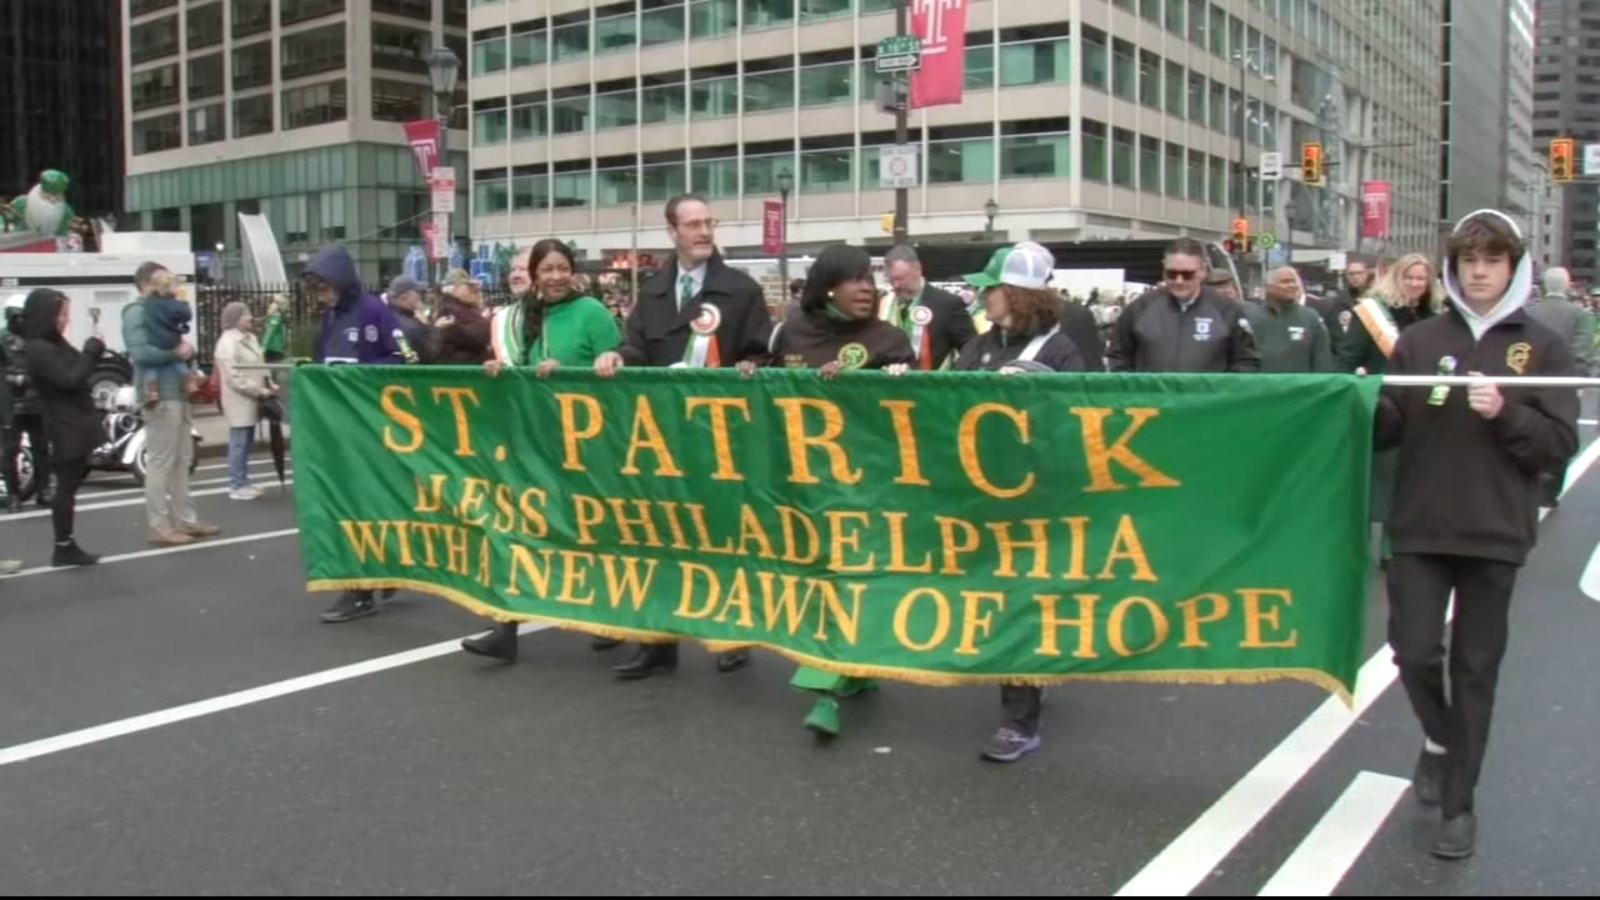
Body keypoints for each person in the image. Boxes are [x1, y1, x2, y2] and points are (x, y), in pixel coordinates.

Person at [1375, 209, 1577, 861]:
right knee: (1412, 649)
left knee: (1477, 669)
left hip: (1494, 529)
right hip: (1422, 524)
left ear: (1513, 268)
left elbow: (1557, 446)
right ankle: (1441, 739)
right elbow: (1388, 425)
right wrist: (1355, 399)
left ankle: (1460, 805)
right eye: (1469, 261)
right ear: (1452, 268)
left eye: (1492, 261)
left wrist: (1506, 412)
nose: (1480, 272)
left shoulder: (1543, 345)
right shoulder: (1421, 340)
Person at [593, 193, 775, 679]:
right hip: (662, 438)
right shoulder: (653, 291)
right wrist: (617, 356)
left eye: (708, 223)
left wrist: (751, 365)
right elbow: (636, 345)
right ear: (671, 232)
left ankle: (733, 635)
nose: (703, 232)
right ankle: (658, 642)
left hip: (722, 437)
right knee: (659, 539)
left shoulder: (740, 290)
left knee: (726, 540)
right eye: (692, 224)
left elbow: (763, 354)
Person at [769, 244, 914, 738]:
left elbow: (914, 411)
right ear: (827, 286)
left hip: (867, 486)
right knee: (821, 580)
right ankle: (856, 665)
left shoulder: (890, 339)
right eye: (855, 279)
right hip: (804, 484)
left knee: (849, 578)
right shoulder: (791, 332)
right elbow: (768, 393)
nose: (867, 288)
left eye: (870, 279)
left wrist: (895, 385)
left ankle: (825, 689)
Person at [951, 243, 1086, 761]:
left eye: (991, 287)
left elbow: (1082, 418)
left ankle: (1019, 723)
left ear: (1016, 293)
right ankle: (1035, 673)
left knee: (1019, 604)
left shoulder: (1059, 350)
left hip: (1037, 498)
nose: (982, 296)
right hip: (984, 494)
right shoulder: (982, 344)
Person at [459, 239, 621, 662]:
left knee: (592, 534)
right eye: (546, 269)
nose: (554, 277)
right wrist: (501, 371)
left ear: (574, 271)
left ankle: (613, 617)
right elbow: (522, 373)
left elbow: (620, 376)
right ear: (534, 275)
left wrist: (571, 374)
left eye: (561, 267)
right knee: (515, 528)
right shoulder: (520, 317)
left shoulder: (593, 313)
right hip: (534, 442)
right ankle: (505, 626)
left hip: (587, 445)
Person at [308, 245, 408, 623]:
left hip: (371, 426)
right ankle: (381, 569)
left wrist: (362, 373)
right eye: (314, 289)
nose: (320, 295)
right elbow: (322, 364)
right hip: (340, 428)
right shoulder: (330, 317)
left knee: (360, 507)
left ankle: (360, 590)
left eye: (323, 287)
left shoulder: (374, 312)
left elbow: (407, 358)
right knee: (349, 506)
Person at [123, 262, 219, 547]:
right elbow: (140, 352)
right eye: (160, 281)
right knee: (162, 462)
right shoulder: (136, 312)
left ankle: (184, 520)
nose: (168, 285)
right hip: (158, 395)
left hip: (178, 392)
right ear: (146, 283)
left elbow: (180, 343)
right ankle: (160, 524)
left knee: (181, 460)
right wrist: (176, 352)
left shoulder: (162, 309)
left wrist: (187, 351)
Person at [19, 289, 101, 568]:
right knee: (65, 487)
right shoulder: (38, 349)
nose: (66, 320)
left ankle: (66, 544)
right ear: (46, 316)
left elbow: (80, 368)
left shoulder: (52, 343)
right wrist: (91, 350)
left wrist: (91, 353)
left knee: (70, 485)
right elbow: (70, 379)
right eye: (62, 314)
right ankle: (63, 546)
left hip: (75, 420)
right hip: (64, 423)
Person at [1107, 239, 1261, 373]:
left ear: (1203, 271)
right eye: (1172, 274)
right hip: (1154, 404)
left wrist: (1222, 395)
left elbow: (1246, 362)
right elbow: (1118, 358)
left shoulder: (1226, 309)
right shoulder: (1139, 308)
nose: (1179, 281)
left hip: (1208, 403)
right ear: (1163, 268)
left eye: (1187, 274)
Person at [1527, 265, 1595, 506]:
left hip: (1530, 382)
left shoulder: (1529, 312)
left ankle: (1530, 482)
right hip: (1564, 384)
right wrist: (1579, 381)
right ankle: (1550, 491)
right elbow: (1582, 351)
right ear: (1566, 286)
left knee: (1529, 430)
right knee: (1561, 434)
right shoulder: (1578, 315)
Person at [213, 301, 276, 501]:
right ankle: (236, 484)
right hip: (239, 399)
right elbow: (234, 377)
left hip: (254, 397)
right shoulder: (227, 343)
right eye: (246, 314)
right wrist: (259, 391)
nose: (250, 317)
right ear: (235, 319)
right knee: (239, 442)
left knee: (246, 441)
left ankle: (244, 481)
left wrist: (269, 382)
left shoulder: (250, 338)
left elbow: (260, 364)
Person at [879, 244, 976, 369]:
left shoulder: (948, 304)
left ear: (918, 269)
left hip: (933, 385)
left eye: (901, 278)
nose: (896, 285)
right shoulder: (883, 304)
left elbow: (972, 352)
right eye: (891, 280)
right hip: (890, 384)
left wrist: (950, 379)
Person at [2, 294, 49, 512]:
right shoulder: (3, 339)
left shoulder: (36, 339)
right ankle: (13, 495)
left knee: (41, 448)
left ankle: (44, 490)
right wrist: (15, 379)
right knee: (10, 450)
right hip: (12, 403)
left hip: (36, 401)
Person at [1245, 266, 1336, 373]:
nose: (1292, 285)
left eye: (1294, 282)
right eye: (1285, 282)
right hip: (1262, 387)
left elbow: (1322, 363)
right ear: (1269, 287)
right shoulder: (1251, 317)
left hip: (1301, 387)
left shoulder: (1311, 318)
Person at [432, 271, 492, 365]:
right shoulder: (450, 310)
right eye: (468, 287)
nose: (474, 291)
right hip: (460, 373)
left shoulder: (457, 307)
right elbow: (480, 335)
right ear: (455, 288)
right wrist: (490, 319)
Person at [387, 276, 434, 364]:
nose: (420, 297)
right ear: (404, 297)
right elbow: (430, 355)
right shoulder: (410, 326)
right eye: (418, 293)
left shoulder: (386, 315)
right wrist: (431, 328)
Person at [260, 295, 288, 363]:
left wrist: (264, 346)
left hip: (273, 348)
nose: (268, 309)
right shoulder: (277, 317)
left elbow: (270, 332)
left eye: (270, 308)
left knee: (272, 368)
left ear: (276, 307)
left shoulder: (275, 318)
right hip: (277, 348)